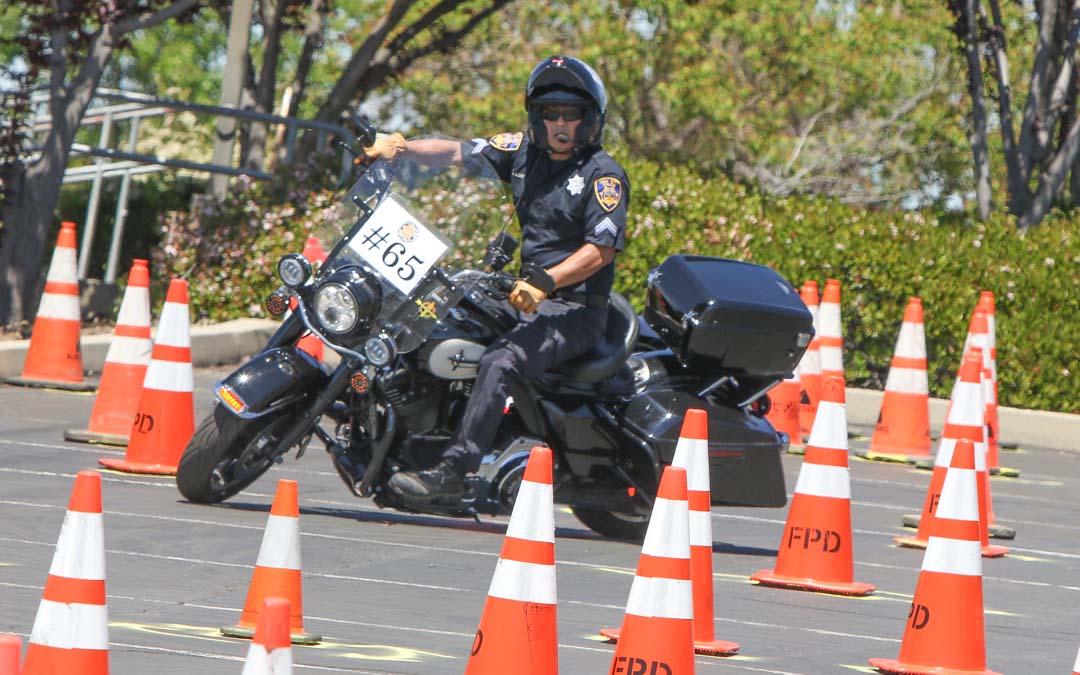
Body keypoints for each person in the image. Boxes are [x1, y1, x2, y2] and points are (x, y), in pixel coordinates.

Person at [363, 56, 630, 508]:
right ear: (537, 117)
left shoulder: (603, 176)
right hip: (524, 294)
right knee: (440, 310)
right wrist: (399, 148)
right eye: (551, 114)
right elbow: (456, 151)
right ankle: (407, 424)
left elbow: (599, 251)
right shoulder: (523, 152)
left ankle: (455, 471)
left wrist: (546, 280)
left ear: (590, 120)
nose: (561, 124)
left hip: (574, 309)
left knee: (502, 361)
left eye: (571, 114)